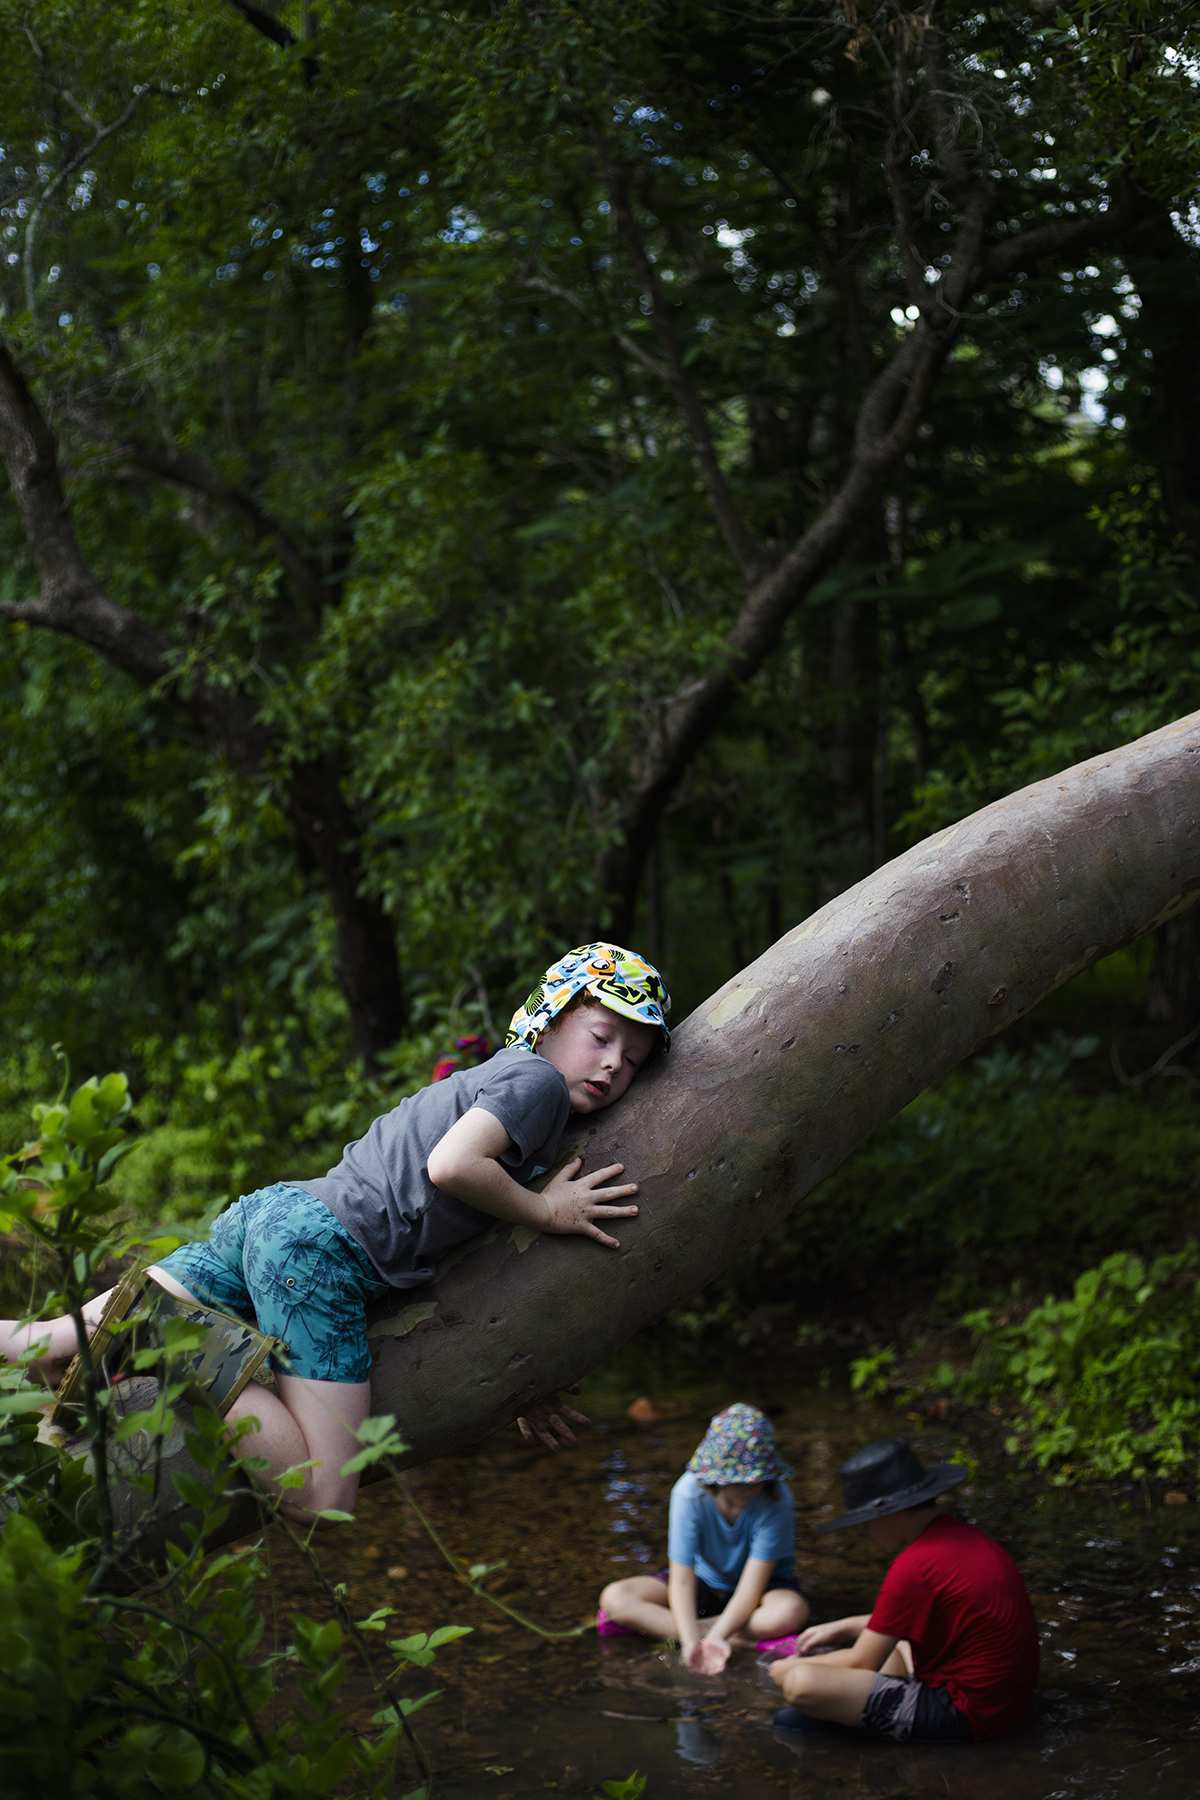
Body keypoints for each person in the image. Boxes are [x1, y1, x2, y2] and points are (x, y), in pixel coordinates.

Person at [1, 942, 670, 1519]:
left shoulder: (497, 1082)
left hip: (275, 1215)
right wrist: (547, 1210)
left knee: (47, 1341)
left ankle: (78, 1340)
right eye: (602, 1037)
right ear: (548, 1021)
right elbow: (452, 1166)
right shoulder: (537, 1084)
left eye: (634, 1058)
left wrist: (522, 1384)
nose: (614, 1065)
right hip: (321, 1253)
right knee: (323, 1496)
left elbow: (474, 1248)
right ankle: (172, 1345)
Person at [770, 1437, 1039, 1742]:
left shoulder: (914, 1566)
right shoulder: (963, 1537)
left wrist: (786, 1668)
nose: (868, 1532)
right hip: (1009, 1704)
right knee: (890, 1652)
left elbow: (862, 1662)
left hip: (966, 1715)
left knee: (799, 1688)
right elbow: (913, 1621)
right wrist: (842, 1627)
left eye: (867, 1522)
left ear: (888, 1514)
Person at [598, 1402, 810, 1672]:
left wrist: (715, 1637)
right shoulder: (689, 1493)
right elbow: (682, 1578)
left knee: (790, 1611)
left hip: (763, 1589)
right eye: (741, 1481)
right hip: (703, 1582)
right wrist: (690, 1642)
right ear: (718, 1478)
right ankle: (735, 1637)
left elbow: (751, 1587)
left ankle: (687, 1629)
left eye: (758, 1479)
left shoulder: (776, 1499)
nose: (752, 1487)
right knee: (616, 1596)